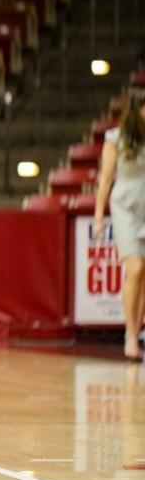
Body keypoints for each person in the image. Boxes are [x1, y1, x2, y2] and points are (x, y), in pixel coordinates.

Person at [94, 91, 145, 360]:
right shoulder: (116, 138)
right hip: (125, 206)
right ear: (137, 111)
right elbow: (104, 180)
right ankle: (129, 333)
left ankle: (136, 330)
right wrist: (99, 218)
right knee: (135, 267)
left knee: (143, 276)